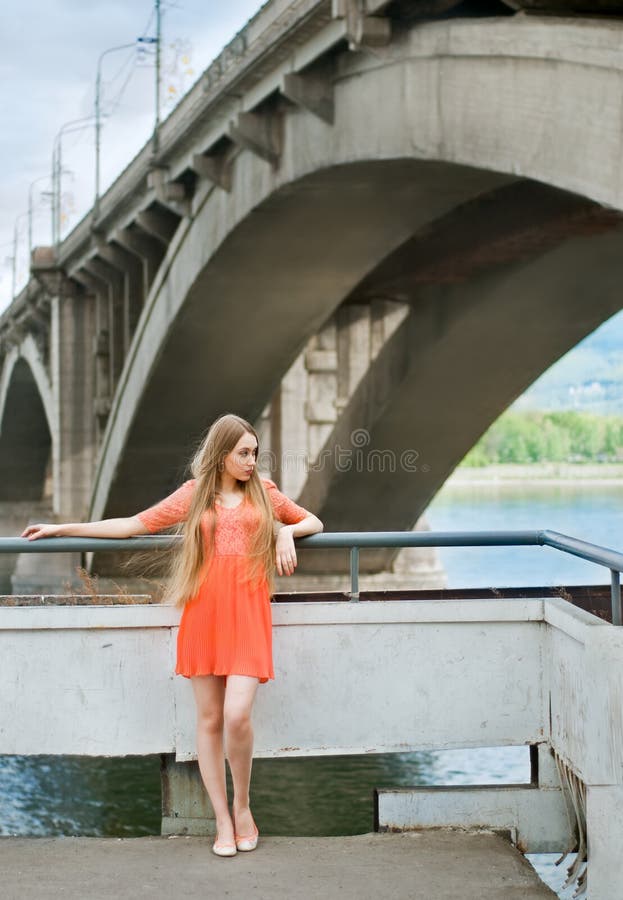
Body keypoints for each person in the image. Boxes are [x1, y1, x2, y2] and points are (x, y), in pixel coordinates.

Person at [22, 413, 324, 857]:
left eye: (254, 453)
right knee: (208, 720)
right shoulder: (194, 494)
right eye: (243, 453)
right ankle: (221, 821)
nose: (251, 460)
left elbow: (313, 520)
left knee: (237, 715)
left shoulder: (266, 491)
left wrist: (286, 532)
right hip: (204, 612)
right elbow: (132, 525)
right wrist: (63, 528)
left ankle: (243, 807)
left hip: (248, 613)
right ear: (221, 455)